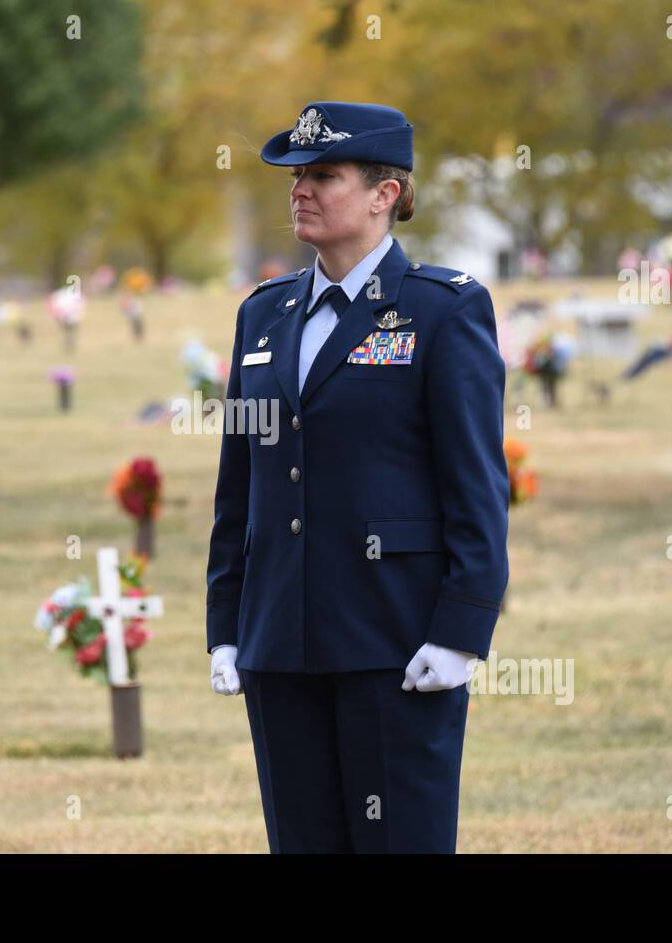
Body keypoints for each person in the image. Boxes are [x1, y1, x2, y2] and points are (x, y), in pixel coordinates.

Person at [204, 101, 509, 853]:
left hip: (396, 641)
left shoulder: (443, 310)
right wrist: (225, 621)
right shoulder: (263, 315)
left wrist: (463, 627)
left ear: (385, 193)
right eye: (297, 175)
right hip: (281, 640)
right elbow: (238, 484)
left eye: (324, 175)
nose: (300, 189)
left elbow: (476, 483)